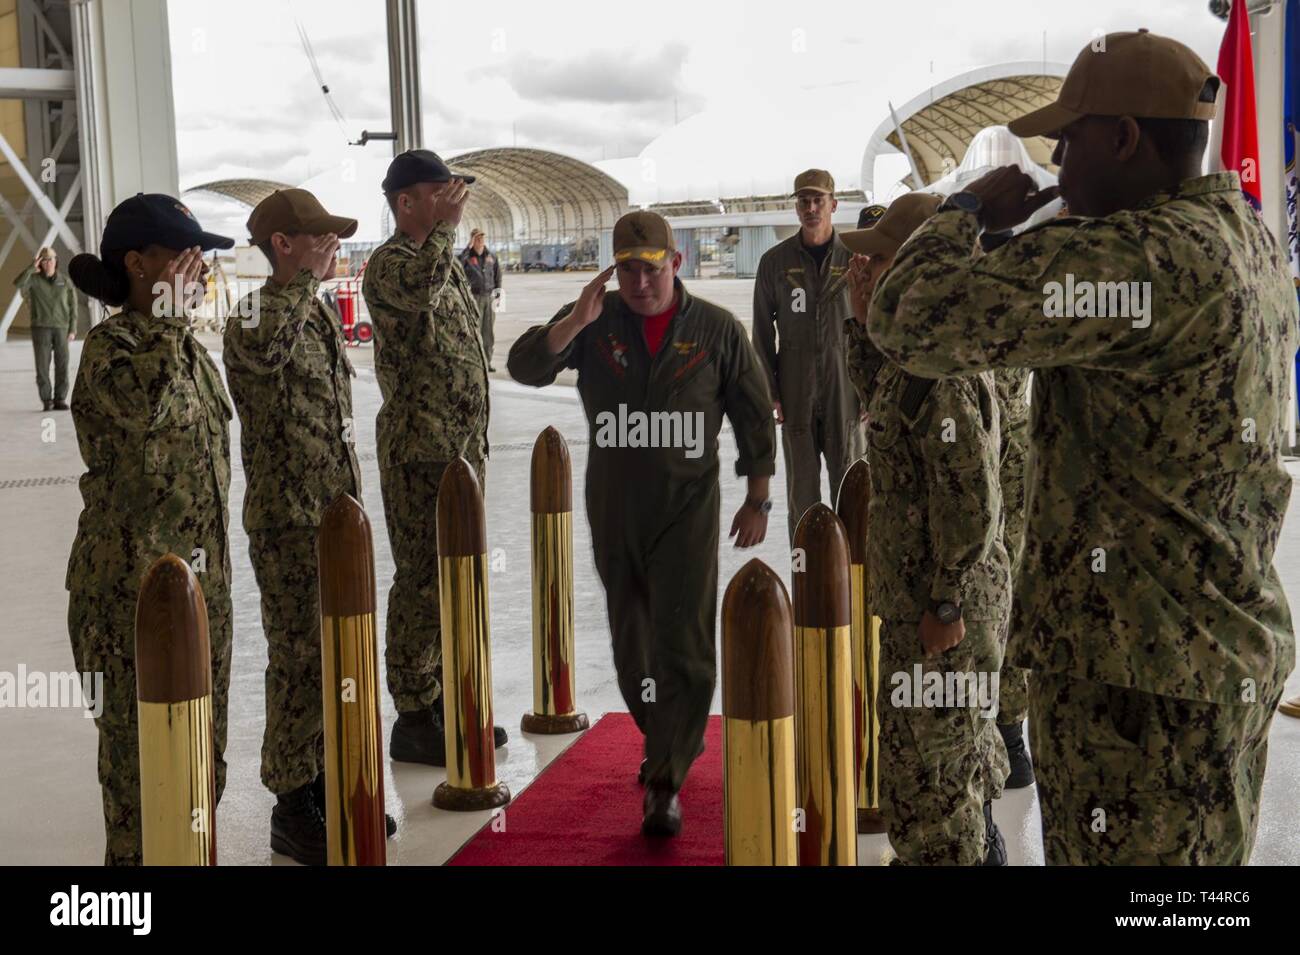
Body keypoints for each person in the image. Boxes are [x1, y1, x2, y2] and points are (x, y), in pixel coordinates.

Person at [868, 30, 1298, 865]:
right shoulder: (1241, 238)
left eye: (1068, 140)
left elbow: (908, 315)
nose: (1056, 164)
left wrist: (966, 214)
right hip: (1204, 656)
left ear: (1125, 138)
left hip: (1140, 688)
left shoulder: (1140, 261)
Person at [508, 211, 776, 836]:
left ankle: (664, 777)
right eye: (626, 269)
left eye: (650, 268)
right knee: (633, 645)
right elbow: (525, 366)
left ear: (674, 263)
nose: (638, 282)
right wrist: (575, 319)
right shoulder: (598, 328)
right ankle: (665, 736)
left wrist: (757, 498)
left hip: (688, 509)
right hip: (616, 506)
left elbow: (752, 410)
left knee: (682, 639)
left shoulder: (714, 328)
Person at [223, 188, 395, 865]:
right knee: (298, 661)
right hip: (286, 521)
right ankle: (293, 806)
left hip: (331, 515)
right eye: (317, 236)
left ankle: (331, 784)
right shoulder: (255, 314)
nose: (332, 246)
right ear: (282, 245)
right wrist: (305, 282)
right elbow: (266, 351)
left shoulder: (316, 313)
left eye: (333, 236)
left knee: (338, 658)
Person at [64, 194, 235, 865]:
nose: (200, 270)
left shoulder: (186, 347)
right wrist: (170, 319)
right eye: (184, 256)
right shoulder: (114, 350)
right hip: (129, 601)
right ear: (137, 264)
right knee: (144, 782)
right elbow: (147, 408)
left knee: (200, 770)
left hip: (199, 594)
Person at [844, 192, 1010, 865]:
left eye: (880, 259)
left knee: (933, 783)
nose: (864, 269)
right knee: (945, 761)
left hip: (945, 613)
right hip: (928, 604)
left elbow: (972, 499)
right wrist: (862, 324)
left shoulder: (939, 369)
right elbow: (880, 403)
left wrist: (944, 598)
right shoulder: (918, 351)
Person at [362, 149, 506, 765]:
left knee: (456, 579)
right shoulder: (391, 265)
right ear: (405, 203)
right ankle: (415, 711)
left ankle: (449, 696)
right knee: (422, 582)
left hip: (459, 451)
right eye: (439, 193)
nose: (452, 203)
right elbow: (420, 292)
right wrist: (446, 230)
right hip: (420, 451)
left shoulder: (441, 263)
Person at [752, 169, 865, 541]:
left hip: (846, 387)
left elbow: (874, 325)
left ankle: (853, 574)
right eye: (804, 200)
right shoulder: (775, 263)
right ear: (797, 207)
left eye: (818, 200)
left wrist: (872, 388)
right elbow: (762, 334)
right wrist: (771, 391)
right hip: (796, 388)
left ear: (834, 204)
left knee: (850, 482)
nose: (811, 207)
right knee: (803, 491)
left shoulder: (855, 257)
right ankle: (807, 573)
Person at [992, 367, 1034, 788]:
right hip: (991, 436)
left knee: (1006, 594)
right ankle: (1006, 735)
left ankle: (1008, 735)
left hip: (1000, 443)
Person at [14, 245, 77, 411]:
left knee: (62, 364)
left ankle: (60, 399)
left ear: (56, 261)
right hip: (40, 328)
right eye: (45, 260)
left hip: (61, 328)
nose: (48, 263)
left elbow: (73, 306)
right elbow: (18, 283)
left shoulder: (65, 281)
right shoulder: (33, 280)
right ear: (40, 263)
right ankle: (46, 400)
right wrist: (30, 268)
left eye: (51, 259)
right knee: (42, 366)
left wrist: (72, 328)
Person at [459, 228, 502, 370]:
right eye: (477, 238)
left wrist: (499, 297)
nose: (481, 240)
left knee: (488, 332)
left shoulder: (491, 257)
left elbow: (498, 277)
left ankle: (487, 362)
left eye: (482, 238)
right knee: (474, 330)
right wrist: (468, 248)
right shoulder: (467, 257)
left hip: (490, 297)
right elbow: (457, 264)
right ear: (472, 240)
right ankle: (475, 361)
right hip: (474, 298)